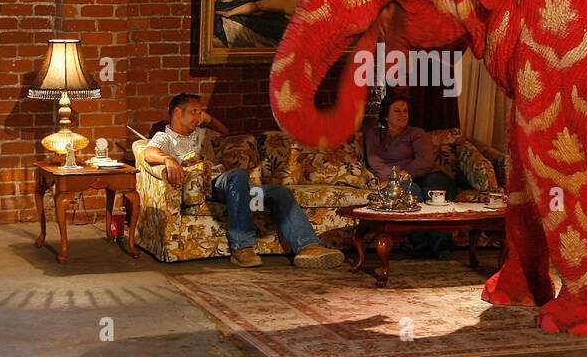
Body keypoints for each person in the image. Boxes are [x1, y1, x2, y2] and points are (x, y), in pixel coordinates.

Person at [144, 93, 344, 269]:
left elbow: (224, 131)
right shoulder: (166, 137)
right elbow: (149, 152)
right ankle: (242, 247)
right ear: (178, 113)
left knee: (279, 192)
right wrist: (168, 159)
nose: (199, 117)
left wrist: (207, 118)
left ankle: (309, 246)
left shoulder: (200, 134)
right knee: (238, 175)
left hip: (236, 190)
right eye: (194, 112)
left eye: (200, 113)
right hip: (211, 188)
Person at [363, 94, 456, 258]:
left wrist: (403, 174)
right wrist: (394, 179)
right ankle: (421, 245)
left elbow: (425, 159)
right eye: (397, 111)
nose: (403, 115)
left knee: (435, 190)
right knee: (410, 191)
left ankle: (442, 246)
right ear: (386, 115)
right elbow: (375, 161)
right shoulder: (374, 135)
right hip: (401, 180)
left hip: (427, 174)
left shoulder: (416, 133)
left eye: (405, 111)